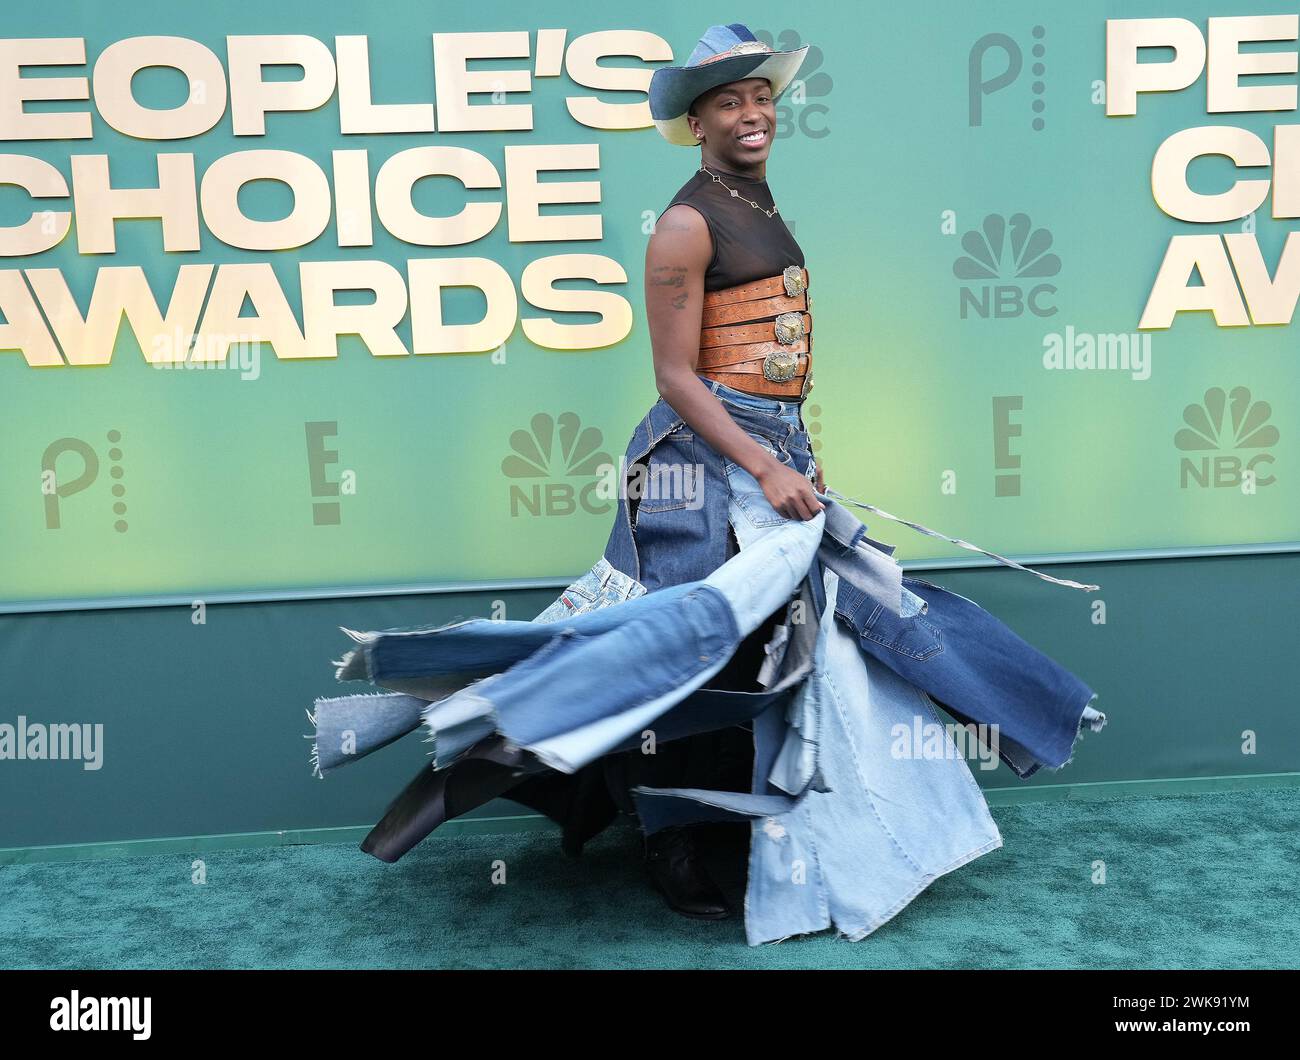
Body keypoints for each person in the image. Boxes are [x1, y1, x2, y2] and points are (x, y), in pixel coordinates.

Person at [600, 23, 824, 919]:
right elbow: (676, 378)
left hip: (771, 444)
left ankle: (741, 822)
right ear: (696, 124)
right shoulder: (684, 225)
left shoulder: (761, 206)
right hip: (698, 465)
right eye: (728, 101)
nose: (752, 112)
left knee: (769, 644)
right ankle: (670, 841)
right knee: (690, 650)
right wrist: (764, 465)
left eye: (760, 95)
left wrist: (786, 455)